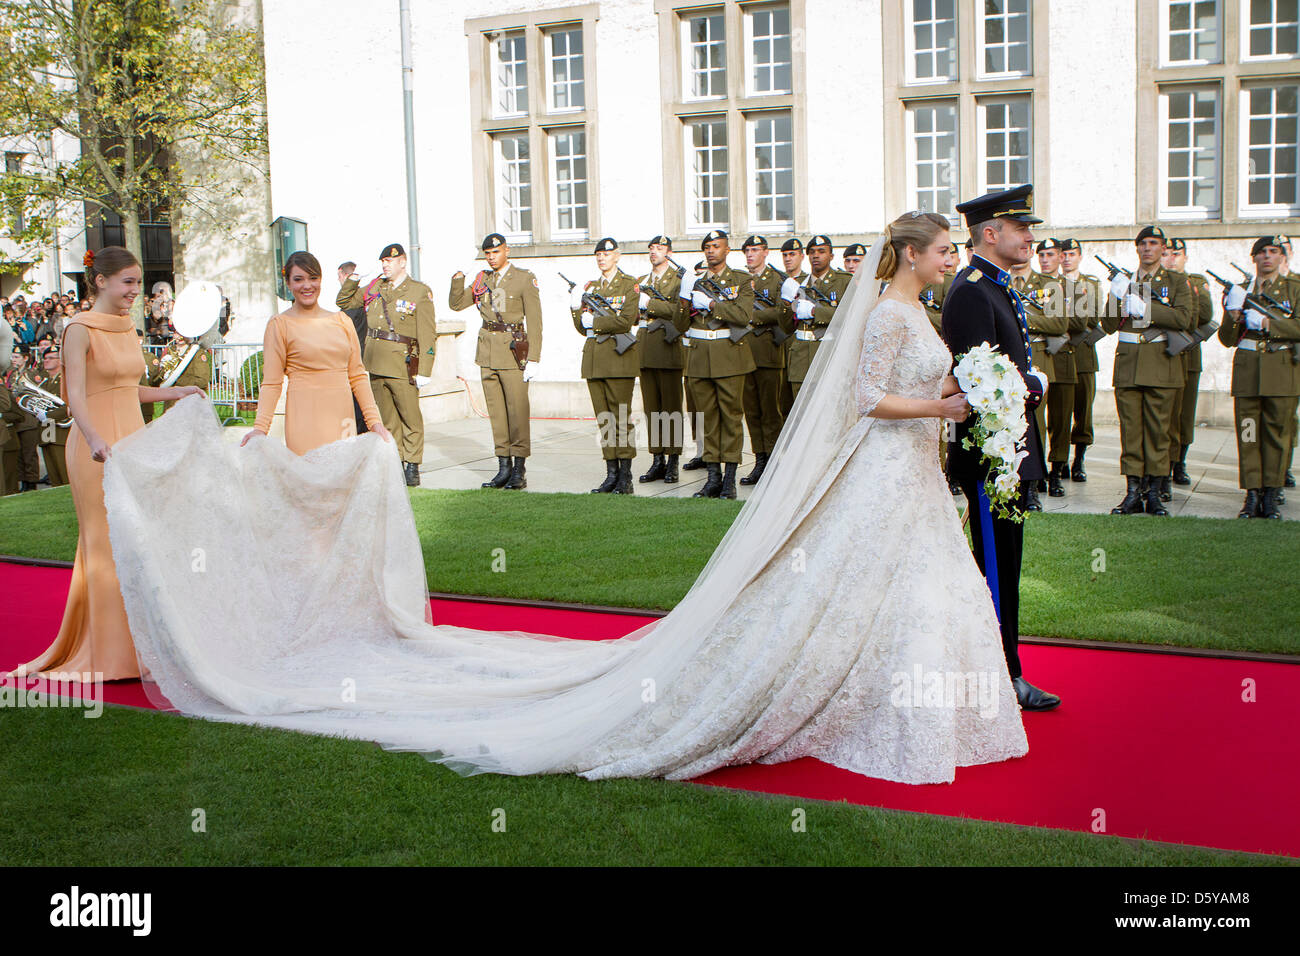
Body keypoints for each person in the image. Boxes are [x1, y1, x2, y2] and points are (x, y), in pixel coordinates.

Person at [101, 212, 1031, 786]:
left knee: (917, 588)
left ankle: (916, 704)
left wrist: (960, 408)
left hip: (909, 471)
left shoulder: (917, 308)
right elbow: (871, 395)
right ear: (910, 253)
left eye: (954, 245)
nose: (952, 254)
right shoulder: (887, 310)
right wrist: (950, 402)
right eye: (943, 244)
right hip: (888, 462)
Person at [7, 247, 204, 682]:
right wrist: (95, 437)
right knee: (104, 544)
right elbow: (76, 394)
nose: (137, 291)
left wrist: (176, 394)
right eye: (128, 283)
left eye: (138, 283)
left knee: (135, 544)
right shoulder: (79, 328)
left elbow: (128, 390)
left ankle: (139, 650)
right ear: (101, 281)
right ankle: (108, 654)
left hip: (132, 443)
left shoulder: (126, 327)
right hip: (94, 446)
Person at [943, 185, 1060, 712]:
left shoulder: (996, 285)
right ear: (990, 233)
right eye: (1022, 229)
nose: (1031, 237)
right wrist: (1033, 385)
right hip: (992, 456)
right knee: (994, 570)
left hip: (1008, 452)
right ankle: (1000, 678)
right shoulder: (972, 289)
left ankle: (998, 669)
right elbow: (980, 380)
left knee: (1004, 567)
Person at [242, 251, 392, 456]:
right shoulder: (280, 325)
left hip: (342, 420)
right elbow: (271, 383)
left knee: (343, 481)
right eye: (298, 279)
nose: (307, 285)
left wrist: (374, 423)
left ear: (321, 280)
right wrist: (260, 428)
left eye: (313, 278)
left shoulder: (342, 321)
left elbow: (357, 376)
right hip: (304, 421)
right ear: (288, 283)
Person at [1101, 226, 1194, 516]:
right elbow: (1107, 325)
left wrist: (1147, 309)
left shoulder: (1177, 281)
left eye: (1154, 243)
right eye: (1143, 244)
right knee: (1131, 431)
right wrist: (1116, 297)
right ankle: (1132, 492)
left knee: (1158, 431)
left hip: (1161, 364)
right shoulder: (1125, 281)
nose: (1147, 249)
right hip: (1129, 363)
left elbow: (1184, 319)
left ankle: (1154, 492)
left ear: (1163, 248)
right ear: (1137, 248)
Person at [337, 243, 437, 487]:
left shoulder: (418, 291)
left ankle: (412, 465)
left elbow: (427, 333)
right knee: (388, 419)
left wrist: (425, 368)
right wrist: (354, 279)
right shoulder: (375, 288)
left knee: (410, 417)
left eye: (390, 261)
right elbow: (344, 301)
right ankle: (396, 462)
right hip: (376, 361)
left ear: (402, 262)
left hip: (402, 362)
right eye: (382, 261)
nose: (385, 265)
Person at [448, 234, 542, 490]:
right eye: (487, 253)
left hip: (513, 353)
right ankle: (503, 467)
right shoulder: (483, 279)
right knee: (497, 413)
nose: (491, 257)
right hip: (488, 353)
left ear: (507, 251)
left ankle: (519, 470)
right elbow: (456, 304)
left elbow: (535, 321)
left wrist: (533, 357)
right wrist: (459, 275)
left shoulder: (524, 278)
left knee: (517, 412)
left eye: (496, 252)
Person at [1218, 236, 1300, 519]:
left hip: (1281, 369)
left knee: (1277, 434)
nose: (1267, 257)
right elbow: (1227, 339)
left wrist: (1267, 323)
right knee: (1249, 432)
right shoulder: (1242, 290)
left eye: (1273, 252)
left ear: (1281, 257)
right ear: (1253, 258)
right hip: (1248, 370)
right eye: (1261, 252)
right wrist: (1233, 314)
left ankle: (1271, 495)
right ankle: (1251, 494)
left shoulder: (1295, 288)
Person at [678, 230, 755, 499]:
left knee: (730, 418)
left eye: (716, 246)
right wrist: (684, 297)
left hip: (729, 356)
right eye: (707, 247)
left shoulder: (741, 280)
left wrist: (711, 303)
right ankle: (713, 477)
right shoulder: (695, 282)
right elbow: (679, 325)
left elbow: (743, 316)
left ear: (726, 250)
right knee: (708, 419)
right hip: (699, 358)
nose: (711, 251)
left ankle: (730, 479)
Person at [572, 237, 640, 494]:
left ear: (617, 255)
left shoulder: (629, 284)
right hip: (595, 360)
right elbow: (582, 327)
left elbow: (625, 321)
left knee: (621, 418)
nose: (602, 258)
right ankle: (611, 473)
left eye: (606, 253)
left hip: (619, 359)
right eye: (598, 254)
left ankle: (625, 475)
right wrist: (574, 308)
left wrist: (595, 322)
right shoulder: (590, 287)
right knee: (604, 420)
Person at [633, 235, 689, 484]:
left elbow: (680, 312)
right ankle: (657, 459)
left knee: (671, 408)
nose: (654, 252)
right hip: (645, 349)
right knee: (652, 409)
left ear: (670, 252)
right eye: (652, 248)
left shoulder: (679, 281)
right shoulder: (642, 281)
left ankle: (674, 460)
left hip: (667, 350)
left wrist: (651, 303)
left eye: (660, 248)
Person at [738, 235, 791, 486]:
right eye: (747, 250)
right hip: (744, 353)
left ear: (765, 252)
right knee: (752, 411)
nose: (750, 255)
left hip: (769, 352)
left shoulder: (778, 279)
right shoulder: (739, 280)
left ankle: (774, 459)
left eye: (755, 250)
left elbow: (782, 311)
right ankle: (759, 459)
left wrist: (750, 316)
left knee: (771, 411)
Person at [1161, 237, 1213, 491]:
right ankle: (1165, 464)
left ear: (1185, 257)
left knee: (1184, 414)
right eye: (1167, 253)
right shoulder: (1156, 282)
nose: (1171, 258)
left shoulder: (1196, 282)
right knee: (1165, 416)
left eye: (1176, 254)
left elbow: (1204, 314)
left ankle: (1180, 461)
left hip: (1188, 357)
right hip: (1162, 355)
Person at [779, 235, 851, 402]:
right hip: (801, 359)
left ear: (831, 256)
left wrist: (814, 312)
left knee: (829, 412)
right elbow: (786, 327)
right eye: (812, 252)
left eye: (821, 251)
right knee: (800, 415)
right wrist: (785, 302)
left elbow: (849, 315)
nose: (816, 256)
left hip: (829, 356)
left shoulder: (843, 282)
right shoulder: (799, 284)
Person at [1059, 238, 1103, 482]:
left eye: (1071, 254)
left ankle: (1080, 458)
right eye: (1063, 254)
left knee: (1083, 411)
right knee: (1060, 413)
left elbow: (1093, 318)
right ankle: (1061, 460)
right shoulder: (1052, 284)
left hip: (1084, 355)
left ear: (1079, 256)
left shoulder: (1091, 285)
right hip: (1060, 353)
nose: (1067, 258)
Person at [31, 343, 71, 486]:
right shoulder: (44, 382)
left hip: (61, 432)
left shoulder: (65, 380)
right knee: (54, 477)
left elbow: (70, 404)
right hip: (46, 432)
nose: (46, 360)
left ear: (60, 360)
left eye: (51, 358)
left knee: (64, 475)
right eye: (45, 358)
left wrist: (49, 415)